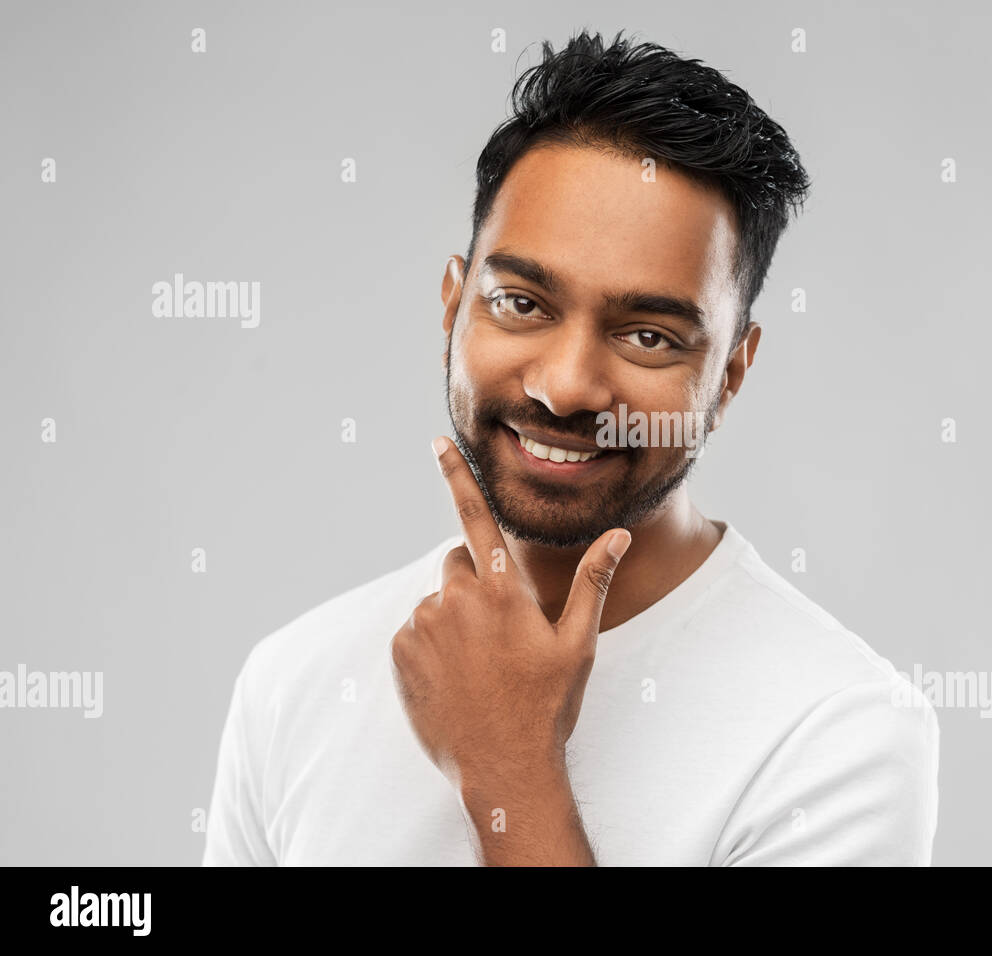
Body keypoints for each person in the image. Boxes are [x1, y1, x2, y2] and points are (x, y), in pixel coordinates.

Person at [202, 28, 939, 866]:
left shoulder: (842, 729)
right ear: (453, 305)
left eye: (649, 336)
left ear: (731, 373)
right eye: (521, 303)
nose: (566, 386)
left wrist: (510, 769)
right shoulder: (292, 680)